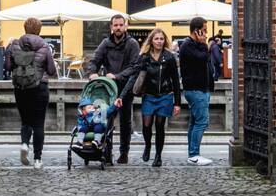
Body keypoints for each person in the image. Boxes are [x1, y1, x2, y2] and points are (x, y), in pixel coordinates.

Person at [86, 14, 142, 164]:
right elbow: (94, 60)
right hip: (108, 89)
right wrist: (92, 73)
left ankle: (124, 153)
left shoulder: (132, 44)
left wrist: (117, 76)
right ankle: (107, 152)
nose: (118, 28)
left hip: (126, 88)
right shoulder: (106, 43)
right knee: (106, 120)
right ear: (111, 27)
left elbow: (134, 67)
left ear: (126, 26)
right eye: (115, 25)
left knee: (125, 122)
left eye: (121, 25)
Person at [1, 17, 57, 169]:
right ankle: (37, 160)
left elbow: (7, 67)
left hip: (21, 88)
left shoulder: (14, 45)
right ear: (39, 30)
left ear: (25, 28)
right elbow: (51, 70)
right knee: (38, 124)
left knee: (26, 121)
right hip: (40, 87)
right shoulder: (44, 46)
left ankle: (25, 144)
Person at [135, 27, 181, 167]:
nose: (159, 41)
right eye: (156, 39)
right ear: (151, 41)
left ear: (164, 41)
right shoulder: (145, 57)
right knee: (146, 125)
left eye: (161, 39)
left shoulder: (169, 57)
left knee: (160, 126)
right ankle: (148, 145)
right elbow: (137, 76)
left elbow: (175, 81)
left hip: (165, 96)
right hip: (149, 96)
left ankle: (158, 156)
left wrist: (177, 103)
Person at [179, 17, 215, 165]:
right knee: (202, 122)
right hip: (195, 89)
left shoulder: (195, 45)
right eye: (204, 30)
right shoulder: (188, 46)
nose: (206, 34)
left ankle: (192, 154)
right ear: (197, 31)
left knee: (195, 122)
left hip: (201, 89)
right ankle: (194, 154)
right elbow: (203, 58)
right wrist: (204, 44)